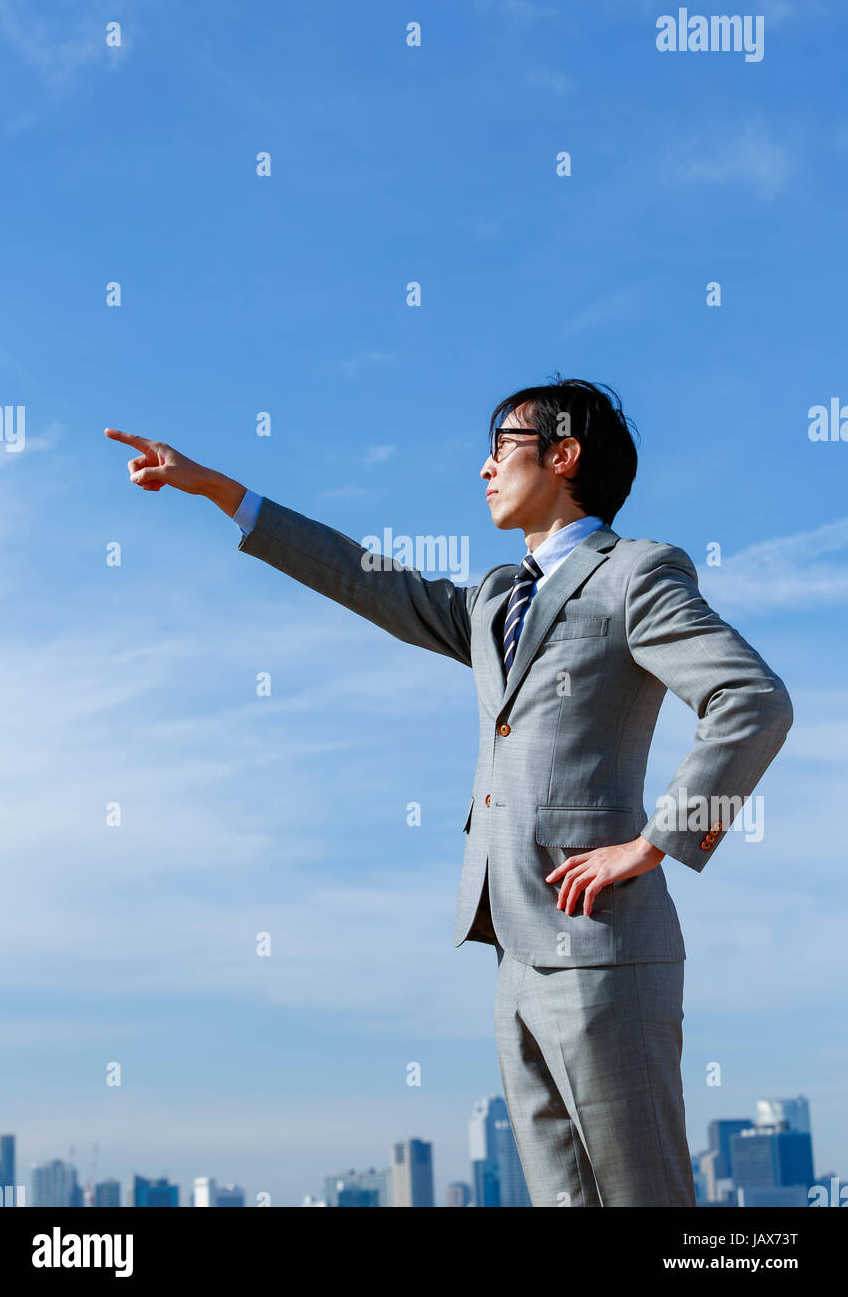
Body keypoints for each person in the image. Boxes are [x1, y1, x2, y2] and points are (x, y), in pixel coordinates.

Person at [105, 376, 793, 1207]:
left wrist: (656, 841)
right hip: (510, 943)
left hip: (603, 945)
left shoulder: (636, 576)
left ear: (565, 455)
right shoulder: (499, 597)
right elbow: (370, 580)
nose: (483, 467)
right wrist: (217, 490)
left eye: (502, 446)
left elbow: (753, 700)